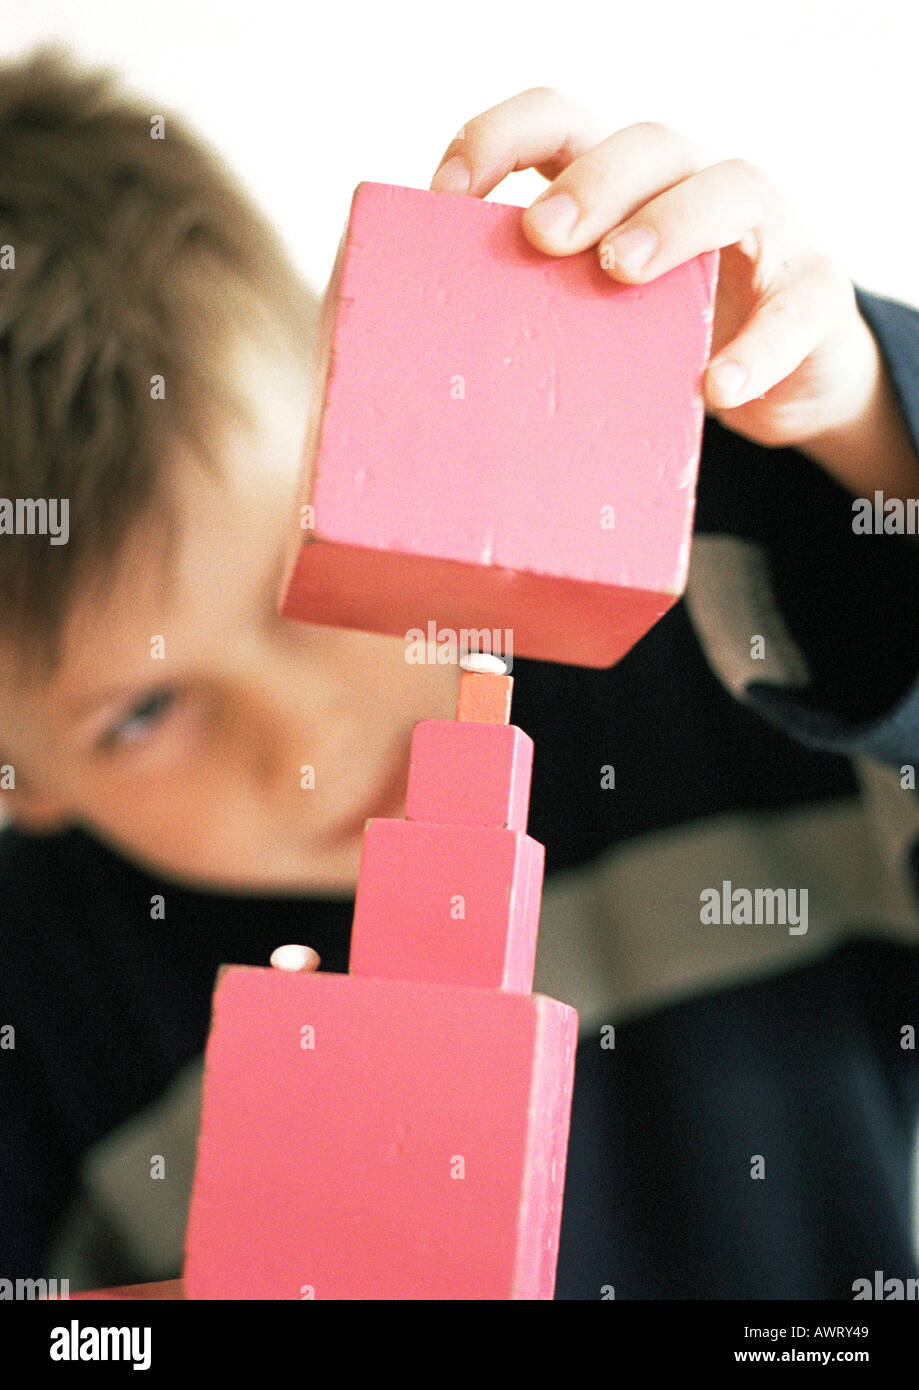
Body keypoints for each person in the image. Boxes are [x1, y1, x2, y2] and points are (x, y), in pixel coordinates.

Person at [1, 48, 917, 1300]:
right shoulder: (47, 1013)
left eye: (306, 567)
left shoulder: (735, 644)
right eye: (143, 711)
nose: (308, 734)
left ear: (357, 417)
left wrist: (866, 430)